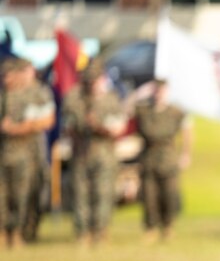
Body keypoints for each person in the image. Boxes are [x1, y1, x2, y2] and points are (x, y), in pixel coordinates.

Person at [61, 58, 126, 246]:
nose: (91, 83)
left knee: (103, 193)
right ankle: (82, 232)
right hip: (81, 151)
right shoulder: (74, 98)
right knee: (80, 193)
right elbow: (67, 125)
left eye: (95, 79)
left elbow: (118, 128)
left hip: (103, 152)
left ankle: (100, 230)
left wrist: (99, 127)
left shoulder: (110, 98)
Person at [0, 57, 55, 247]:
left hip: (31, 153)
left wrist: (17, 128)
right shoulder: (5, 96)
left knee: (29, 194)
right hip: (6, 152)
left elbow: (46, 120)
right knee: (5, 195)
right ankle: (6, 232)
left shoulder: (37, 92)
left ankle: (24, 231)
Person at [134, 79, 191, 242]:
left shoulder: (175, 111)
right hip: (149, 156)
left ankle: (168, 226)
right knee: (149, 195)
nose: (158, 94)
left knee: (170, 194)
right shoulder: (144, 109)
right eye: (155, 90)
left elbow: (187, 130)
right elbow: (124, 109)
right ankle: (150, 228)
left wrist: (186, 154)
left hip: (168, 156)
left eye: (161, 90)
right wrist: (138, 93)